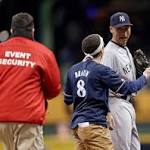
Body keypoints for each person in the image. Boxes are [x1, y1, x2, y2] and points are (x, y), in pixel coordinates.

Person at [63, 34, 150, 150]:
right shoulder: (101, 70)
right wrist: (144, 77)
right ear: (102, 50)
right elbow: (127, 88)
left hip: (78, 127)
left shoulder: (72, 70)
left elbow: (67, 100)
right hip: (95, 126)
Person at [0, 12, 61, 150]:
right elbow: (54, 89)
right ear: (33, 30)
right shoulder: (43, 53)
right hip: (28, 117)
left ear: (11, 30)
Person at [101, 12, 141, 150]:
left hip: (127, 104)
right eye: (120, 29)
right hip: (115, 104)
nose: (124, 32)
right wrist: (106, 110)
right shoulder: (109, 52)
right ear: (111, 29)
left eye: (126, 28)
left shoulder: (124, 48)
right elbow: (102, 82)